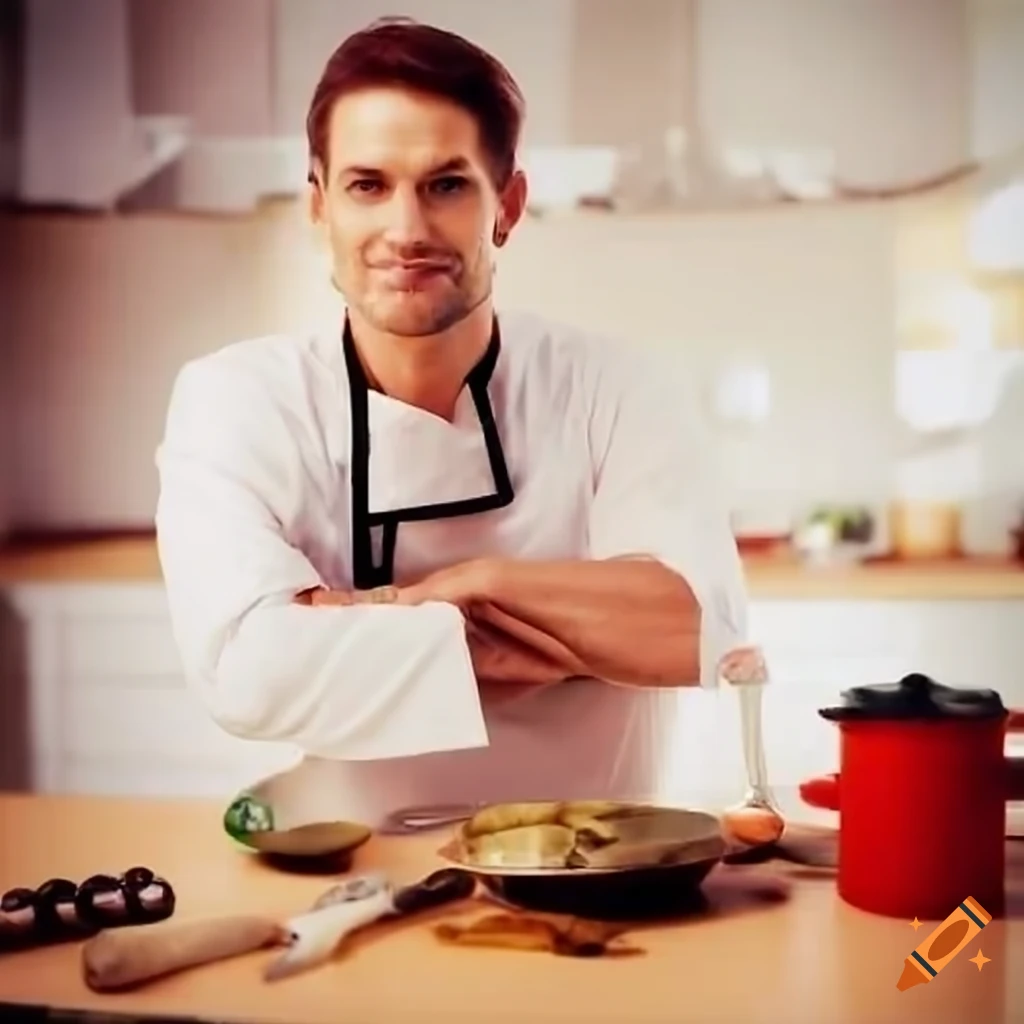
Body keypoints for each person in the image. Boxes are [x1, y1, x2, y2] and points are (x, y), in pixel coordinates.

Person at [154, 17, 757, 826]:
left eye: (446, 185)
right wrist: (574, 634)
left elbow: (695, 631)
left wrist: (465, 588)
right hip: (360, 875)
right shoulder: (238, 398)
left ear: (506, 206)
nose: (406, 232)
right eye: (369, 185)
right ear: (319, 206)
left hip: (603, 875)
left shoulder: (619, 385)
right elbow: (246, 674)